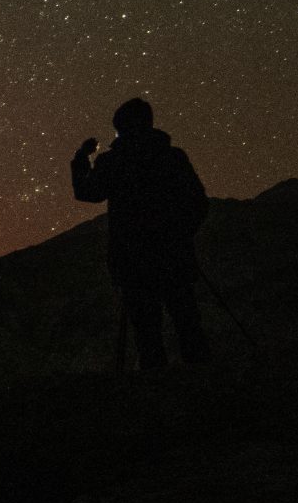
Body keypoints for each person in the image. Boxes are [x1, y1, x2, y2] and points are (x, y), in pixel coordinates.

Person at [71, 97, 210, 369]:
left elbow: (87, 192)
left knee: (147, 334)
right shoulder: (172, 157)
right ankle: (208, 390)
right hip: (174, 257)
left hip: (134, 262)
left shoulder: (115, 162)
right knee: (188, 325)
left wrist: (81, 158)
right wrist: (179, 234)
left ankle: (155, 398)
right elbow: (198, 203)